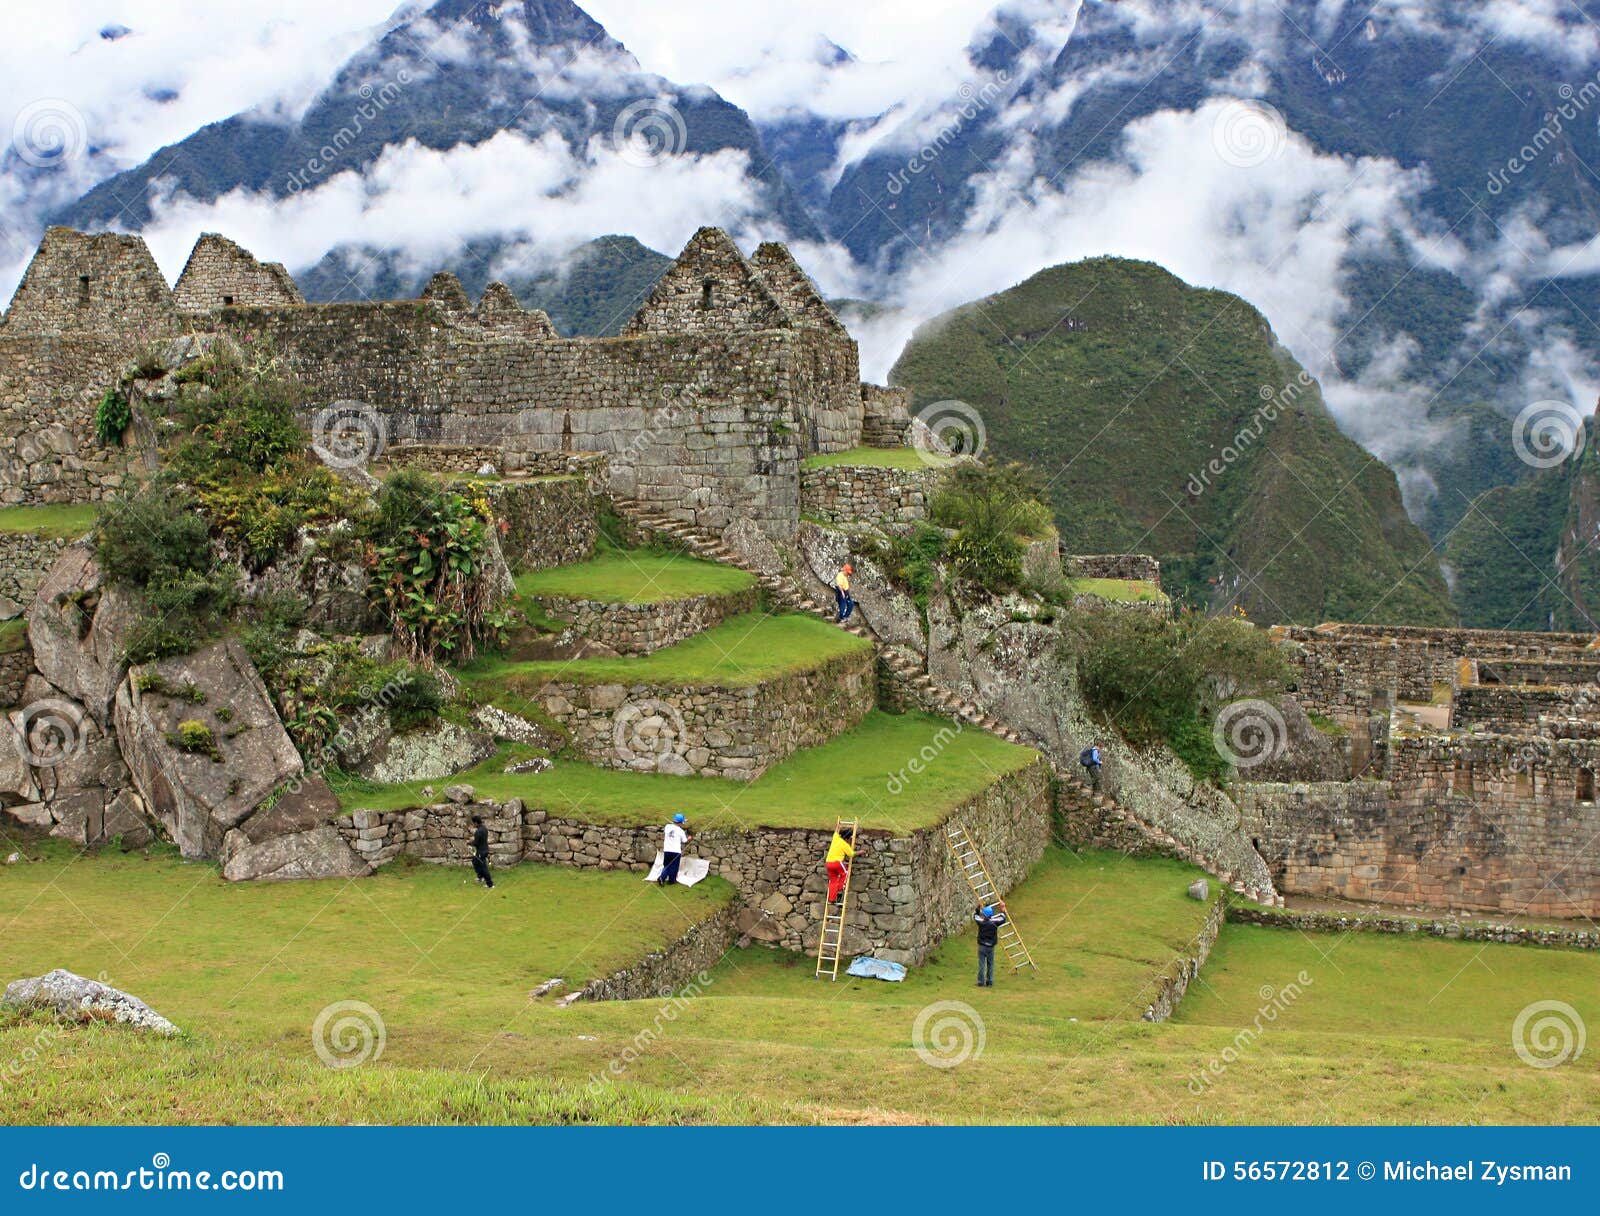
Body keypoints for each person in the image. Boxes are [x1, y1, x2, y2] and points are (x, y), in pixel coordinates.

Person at [974, 901, 1008, 987]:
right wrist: (1003, 908)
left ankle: (980, 982)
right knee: (990, 964)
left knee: (981, 964)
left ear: (984, 914)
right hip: (990, 947)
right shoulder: (994, 922)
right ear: (991, 914)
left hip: (982, 946)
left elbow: (976, 916)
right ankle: (989, 982)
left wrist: (978, 908)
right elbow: (1003, 918)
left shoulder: (981, 921)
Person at [825, 824, 855, 903]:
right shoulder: (845, 845)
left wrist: (838, 826)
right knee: (845, 873)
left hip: (828, 863)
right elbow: (851, 854)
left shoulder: (836, 838)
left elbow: (836, 831)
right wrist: (861, 852)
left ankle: (832, 899)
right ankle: (840, 890)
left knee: (833, 881)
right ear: (848, 838)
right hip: (837, 863)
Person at [659, 813, 690, 886]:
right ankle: (671, 881)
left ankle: (662, 878)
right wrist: (689, 838)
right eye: (682, 822)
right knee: (674, 867)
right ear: (680, 823)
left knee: (666, 865)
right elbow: (684, 841)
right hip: (676, 852)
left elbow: (669, 831)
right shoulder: (681, 831)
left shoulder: (667, 827)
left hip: (667, 850)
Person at [470, 815, 494, 889]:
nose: (473, 825)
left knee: (484, 867)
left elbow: (476, 843)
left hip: (481, 852)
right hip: (485, 849)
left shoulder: (478, 831)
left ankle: (490, 884)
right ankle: (480, 877)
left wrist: (470, 843)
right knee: (474, 861)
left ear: (476, 823)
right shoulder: (484, 829)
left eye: (473, 823)